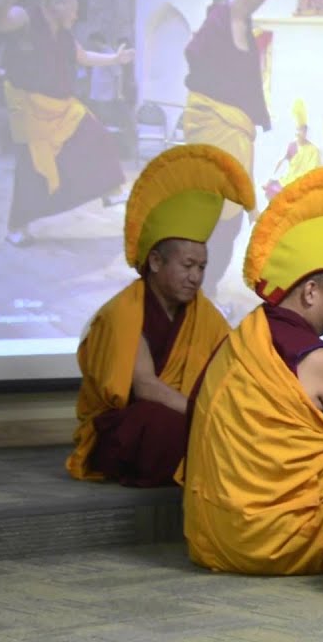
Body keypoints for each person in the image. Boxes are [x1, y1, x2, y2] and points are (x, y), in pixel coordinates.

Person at [181, 164, 323, 575]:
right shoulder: (317, 360)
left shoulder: (243, 339)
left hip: (215, 532)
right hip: (281, 536)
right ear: (310, 291)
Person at [66, 144, 254, 486]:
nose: (196, 277)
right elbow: (146, 387)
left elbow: (232, 361)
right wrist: (205, 416)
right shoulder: (123, 312)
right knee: (160, 424)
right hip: (128, 423)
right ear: (155, 262)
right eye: (187, 265)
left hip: (184, 412)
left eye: (202, 267)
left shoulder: (203, 314)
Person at [0, 0, 135, 247]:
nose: (77, 16)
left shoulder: (64, 34)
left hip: (62, 107)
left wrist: (115, 58)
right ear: (56, 6)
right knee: (32, 170)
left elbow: (84, 57)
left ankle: (110, 189)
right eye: (74, 9)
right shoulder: (26, 18)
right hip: (30, 109)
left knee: (96, 134)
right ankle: (17, 226)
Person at [182, 0, 277, 297]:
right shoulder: (229, 17)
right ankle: (202, 296)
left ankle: (192, 294)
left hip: (204, 131)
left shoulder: (204, 32)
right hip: (222, 133)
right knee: (225, 220)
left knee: (204, 214)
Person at [264, 99, 322, 200]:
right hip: (287, 181)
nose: (299, 133)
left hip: (302, 187)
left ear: (306, 132)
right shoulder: (292, 146)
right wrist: (269, 180)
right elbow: (281, 162)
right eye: (298, 130)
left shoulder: (314, 150)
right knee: (271, 191)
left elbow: (314, 171)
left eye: (302, 130)